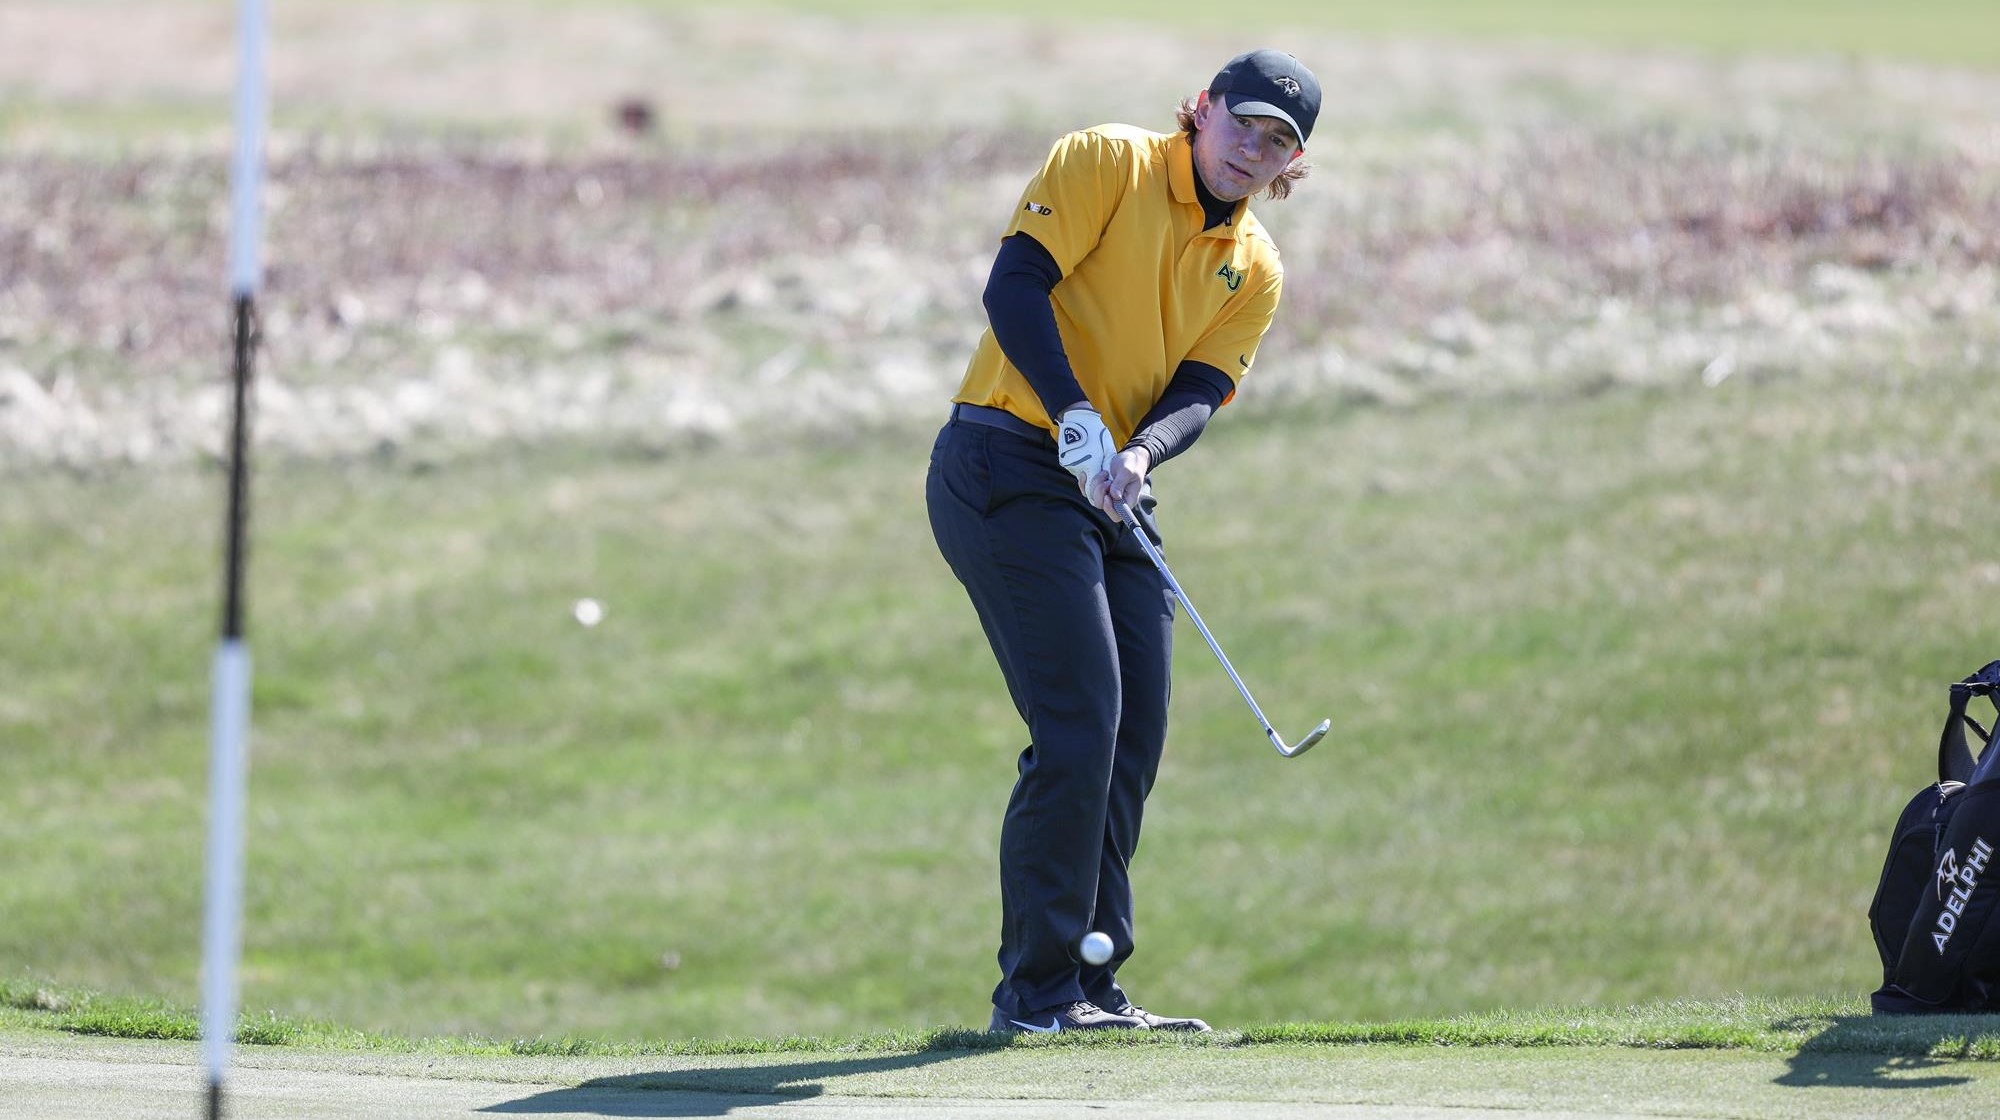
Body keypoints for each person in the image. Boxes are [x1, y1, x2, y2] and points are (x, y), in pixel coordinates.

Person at [925, 49, 1320, 1034]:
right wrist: (1070, 414)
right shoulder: (1106, 160)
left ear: (1288, 166)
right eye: (1244, 124)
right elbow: (1014, 287)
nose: (1253, 148)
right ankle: (1036, 991)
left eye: (1278, 143)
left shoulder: (1254, 266)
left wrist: (1136, 453)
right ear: (1202, 110)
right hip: (1005, 457)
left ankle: (1091, 978)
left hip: (1108, 488)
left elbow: (1198, 389)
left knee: (1131, 730)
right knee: (1079, 722)